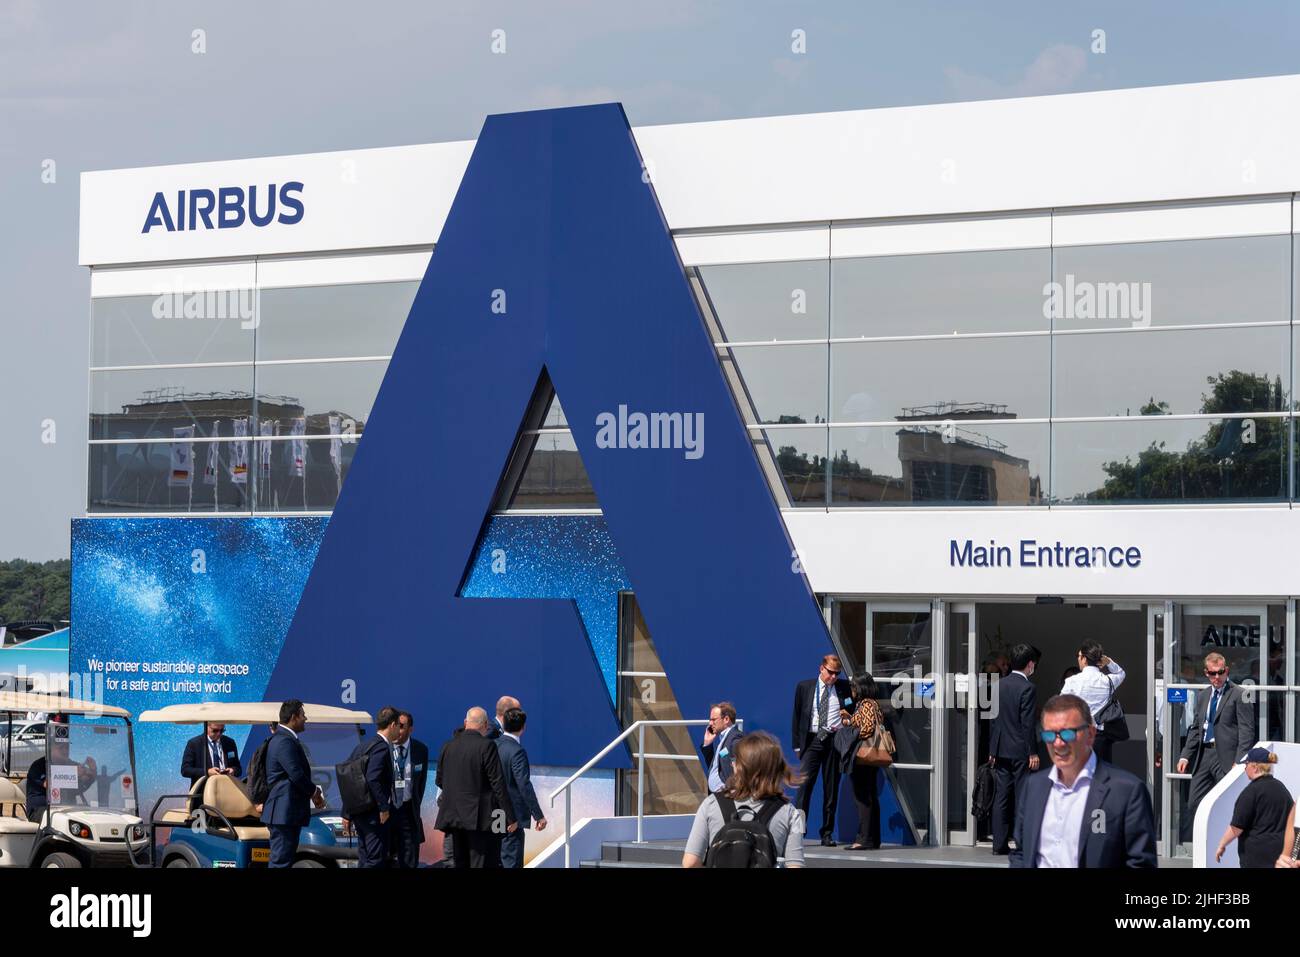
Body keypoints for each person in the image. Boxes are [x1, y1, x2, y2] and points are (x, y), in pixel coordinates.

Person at [1011, 694, 1157, 868]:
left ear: (1090, 734)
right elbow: (1021, 852)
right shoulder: (1033, 786)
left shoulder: (1127, 791)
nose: (1058, 743)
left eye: (1067, 734)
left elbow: (1141, 863)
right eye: (1050, 735)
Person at [683, 731, 805, 868]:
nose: (732, 764)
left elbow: (690, 863)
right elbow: (795, 865)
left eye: (735, 760)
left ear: (741, 767)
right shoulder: (788, 812)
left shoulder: (711, 804)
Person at [1177, 652, 1257, 839]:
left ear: (1226, 670)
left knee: (1227, 803)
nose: (1217, 677)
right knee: (1194, 802)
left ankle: (1225, 844)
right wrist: (1184, 755)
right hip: (1204, 755)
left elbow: (1247, 731)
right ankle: (1205, 840)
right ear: (1206, 673)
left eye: (1220, 672)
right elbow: (1196, 729)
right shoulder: (1203, 695)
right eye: (1212, 673)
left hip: (1228, 758)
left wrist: (1239, 761)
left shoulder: (1240, 694)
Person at [434, 707, 517, 868]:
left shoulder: (447, 746)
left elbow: (440, 781)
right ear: (486, 725)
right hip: (480, 819)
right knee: (481, 863)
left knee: (459, 863)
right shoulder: (487, 746)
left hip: (454, 818)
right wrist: (510, 817)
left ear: (466, 723)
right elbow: (498, 784)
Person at [791, 654, 852, 846]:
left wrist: (847, 717)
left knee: (831, 787)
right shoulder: (805, 687)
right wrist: (797, 745)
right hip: (812, 740)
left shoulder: (843, 687)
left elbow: (851, 708)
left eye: (837, 674)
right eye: (830, 673)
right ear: (821, 669)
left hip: (834, 741)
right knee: (804, 787)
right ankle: (798, 831)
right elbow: (797, 715)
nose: (833, 677)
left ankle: (827, 833)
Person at [260, 700, 325, 868]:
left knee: (284, 861)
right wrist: (315, 793)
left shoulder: (285, 739)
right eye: (303, 715)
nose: (305, 718)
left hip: (287, 813)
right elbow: (296, 774)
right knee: (281, 862)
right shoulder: (284, 741)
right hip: (283, 813)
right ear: (294, 717)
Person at [989, 643, 1040, 855]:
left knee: (1001, 797)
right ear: (1030, 665)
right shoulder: (1028, 688)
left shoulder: (999, 685)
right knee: (1021, 797)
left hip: (1001, 749)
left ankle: (998, 844)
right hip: (1020, 750)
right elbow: (1027, 724)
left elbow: (993, 720)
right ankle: (1022, 843)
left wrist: (992, 749)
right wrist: (1033, 752)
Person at [1215, 748, 1293, 868]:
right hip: (1279, 856)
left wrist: (1222, 844)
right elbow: (1292, 818)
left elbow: (1236, 827)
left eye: (1246, 764)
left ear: (1255, 767)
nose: (1245, 768)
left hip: (1256, 857)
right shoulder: (1281, 788)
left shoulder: (1251, 792)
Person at [345, 705, 401, 868]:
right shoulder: (381, 747)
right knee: (375, 859)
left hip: (360, 813)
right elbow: (373, 778)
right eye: (399, 725)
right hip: (373, 815)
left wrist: (347, 813)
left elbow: (348, 780)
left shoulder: (362, 746)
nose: (399, 730)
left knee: (364, 857)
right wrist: (384, 807)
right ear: (392, 725)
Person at [495, 707, 547, 869]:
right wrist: (538, 815)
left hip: (492, 814)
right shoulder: (517, 751)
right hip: (512, 818)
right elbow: (523, 785)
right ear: (523, 728)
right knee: (511, 860)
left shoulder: (492, 745)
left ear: (503, 724)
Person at [1061, 642, 1126, 763]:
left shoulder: (1072, 681)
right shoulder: (1107, 681)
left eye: (1079, 656)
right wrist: (1109, 662)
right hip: (1101, 736)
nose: (1078, 659)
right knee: (1102, 776)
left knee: (1080, 776)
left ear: (1084, 659)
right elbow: (1121, 673)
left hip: (1078, 736)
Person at [843, 673, 885, 851]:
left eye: (854, 687)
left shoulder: (866, 704)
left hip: (863, 757)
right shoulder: (873, 703)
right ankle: (873, 839)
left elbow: (866, 728)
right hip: (871, 759)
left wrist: (849, 721)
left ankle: (863, 839)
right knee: (871, 798)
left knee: (862, 798)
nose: (852, 690)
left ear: (861, 688)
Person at [390, 710, 429, 868]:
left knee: (409, 859)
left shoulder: (421, 749)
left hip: (409, 811)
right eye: (395, 726)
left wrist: (414, 803)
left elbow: (421, 784)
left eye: (402, 726)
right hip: (388, 811)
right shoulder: (383, 747)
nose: (397, 730)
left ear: (410, 729)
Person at [180, 721, 241, 788]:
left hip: (226, 790)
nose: (219, 734)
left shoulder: (230, 742)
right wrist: (207, 772)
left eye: (222, 730)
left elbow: (238, 768)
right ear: (206, 727)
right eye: (215, 730)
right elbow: (185, 770)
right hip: (204, 792)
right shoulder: (194, 744)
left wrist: (233, 770)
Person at [701, 701, 744, 794]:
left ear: (726, 719)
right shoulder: (724, 738)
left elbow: (739, 771)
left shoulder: (735, 739)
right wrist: (707, 744)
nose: (710, 723)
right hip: (719, 796)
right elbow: (717, 765)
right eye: (710, 720)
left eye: (713, 720)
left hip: (726, 797)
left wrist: (732, 792)